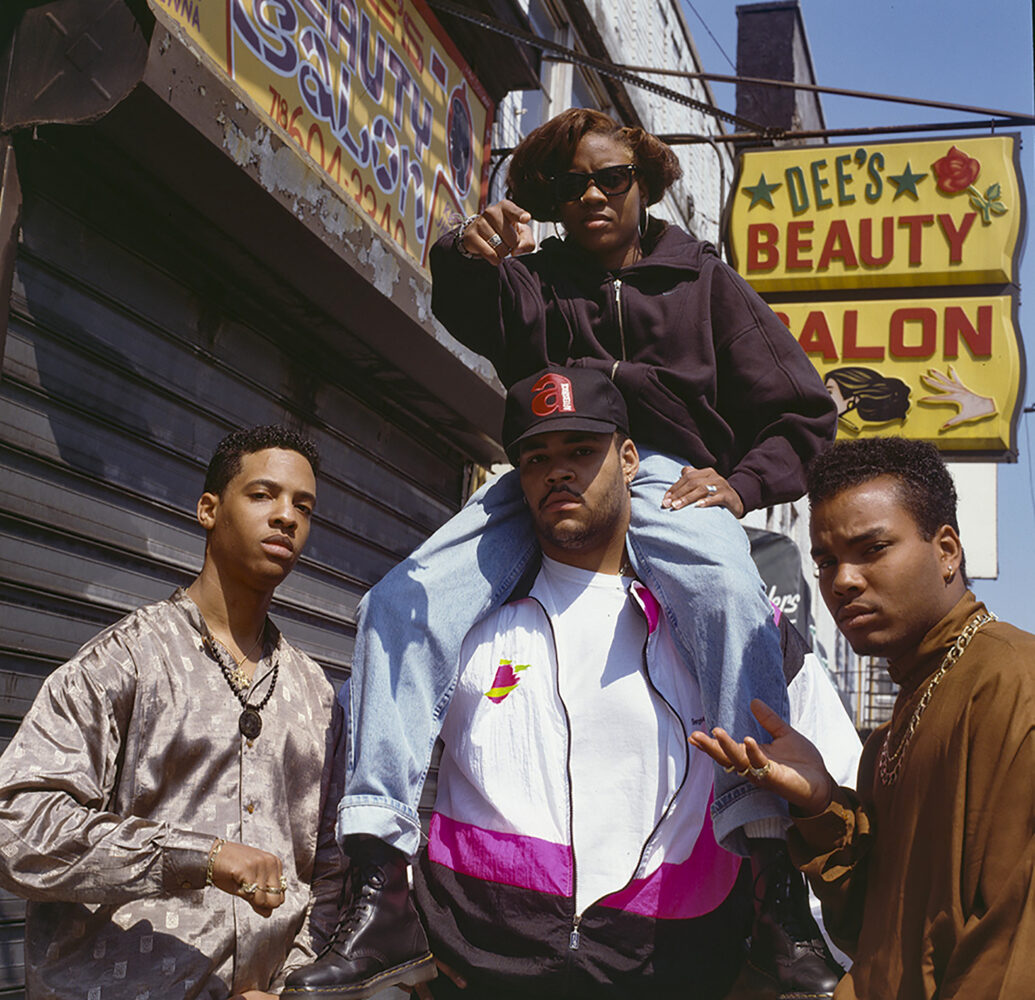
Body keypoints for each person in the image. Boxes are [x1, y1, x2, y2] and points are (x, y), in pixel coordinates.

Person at [287, 109, 838, 997]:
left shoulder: (702, 281)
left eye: (611, 177)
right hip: (544, 464)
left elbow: (805, 410)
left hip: (662, 475)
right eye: (570, 184)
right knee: (397, 603)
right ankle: (382, 886)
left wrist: (739, 485)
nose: (591, 195)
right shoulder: (533, 279)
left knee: (736, 603)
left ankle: (773, 886)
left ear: (644, 182)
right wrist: (468, 252)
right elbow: (467, 305)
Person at [287, 370, 855, 1000]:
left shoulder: (747, 630)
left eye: (582, 451)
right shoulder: (462, 621)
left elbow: (841, 794)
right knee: (388, 609)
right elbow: (353, 764)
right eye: (537, 458)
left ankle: (776, 899)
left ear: (630, 458)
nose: (559, 472)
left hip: (681, 975)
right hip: (475, 977)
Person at [0, 425, 345, 999]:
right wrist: (198, 857)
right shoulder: (126, 661)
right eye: (263, 495)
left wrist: (291, 987)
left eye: (302, 505)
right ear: (209, 509)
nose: (286, 516)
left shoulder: (316, 695)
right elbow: (18, 826)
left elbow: (330, 871)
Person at [690, 436, 1035, 998]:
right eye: (826, 561)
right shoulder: (894, 728)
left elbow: (1014, 941)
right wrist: (821, 801)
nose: (842, 581)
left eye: (872, 549)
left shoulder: (1012, 682)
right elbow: (874, 933)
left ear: (947, 550)